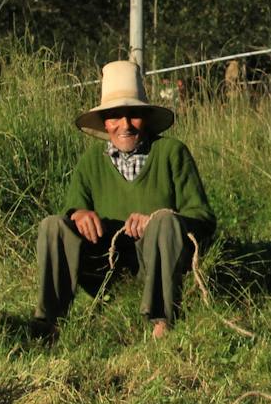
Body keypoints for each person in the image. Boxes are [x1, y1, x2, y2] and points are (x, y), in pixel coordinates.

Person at [34, 60, 216, 339]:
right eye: (115, 117)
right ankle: (48, 323)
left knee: (165, 220)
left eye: (133, 115)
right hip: (106, 268)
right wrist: (80, 214)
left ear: (146, 117)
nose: (125, 125)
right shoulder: (91, 161)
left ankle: (162, 321)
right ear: (105, 123)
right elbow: (71, 211)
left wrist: (155, 220)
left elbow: (202, 218)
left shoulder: (171, 153)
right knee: (52, 225)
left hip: (156, 264)